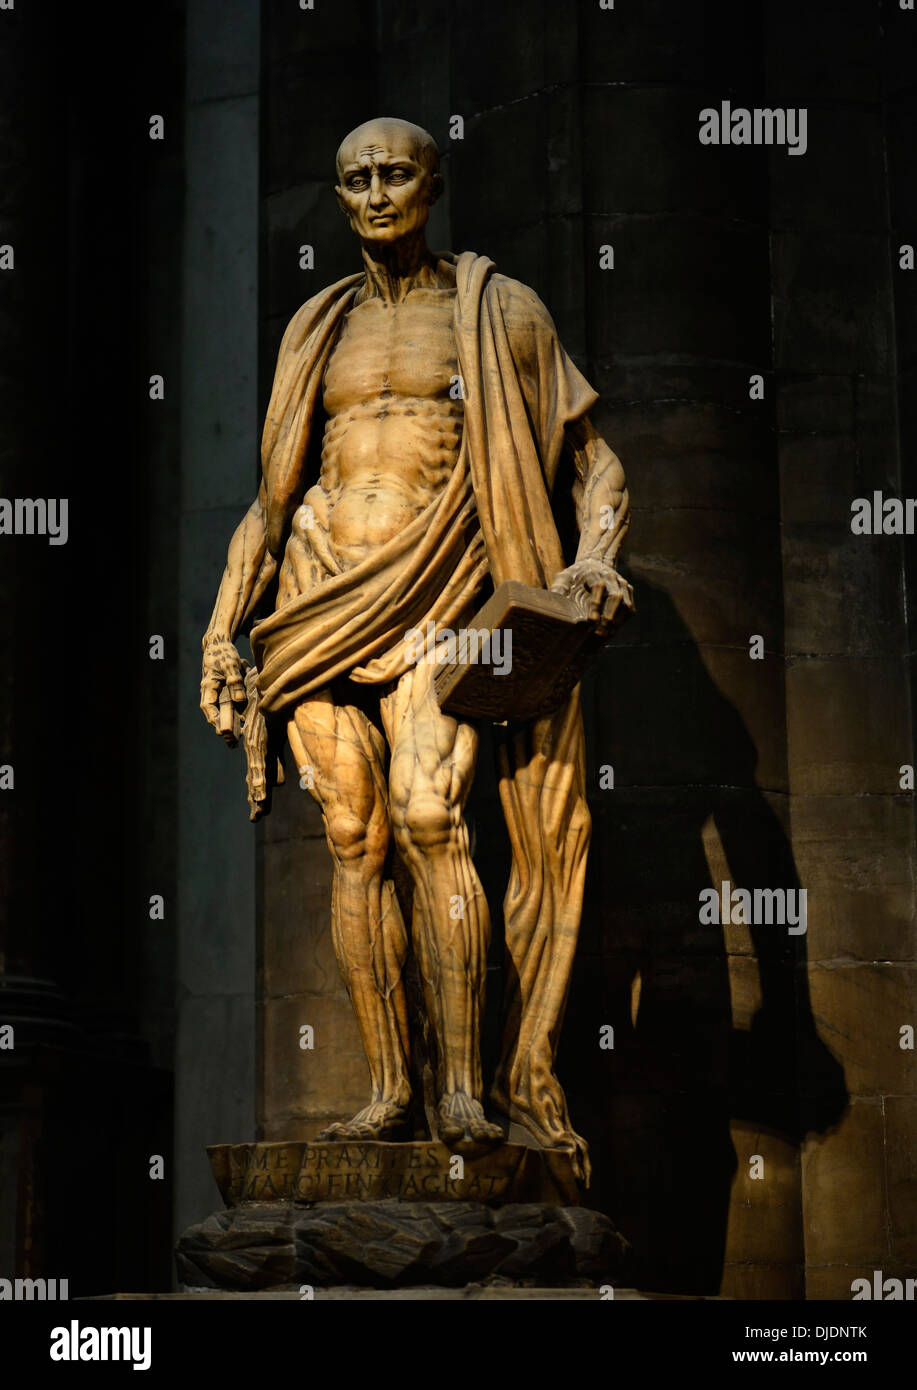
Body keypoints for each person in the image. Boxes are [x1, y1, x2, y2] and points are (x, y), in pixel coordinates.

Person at [200, 117, 632, 1182]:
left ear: (432, 184)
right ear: (339, 196)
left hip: (440, 586)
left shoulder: (498, 311)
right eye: (355, 179)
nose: (376, 193)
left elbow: (595, 464)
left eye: (396, 173)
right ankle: (389, 1087)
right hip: (313, 595)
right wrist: (219, 625)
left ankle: (461, 1088)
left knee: (432, 816)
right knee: (353, 835)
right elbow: (273, 496)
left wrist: (592, 562)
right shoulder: (317, 327)